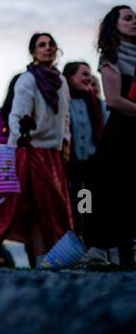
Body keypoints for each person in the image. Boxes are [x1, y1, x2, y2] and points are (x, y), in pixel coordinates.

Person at [0, 33, 73, 266]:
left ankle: (42, 259)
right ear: (33, 51)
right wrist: (16, 147)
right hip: (29, 149)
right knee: (17, 204)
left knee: (47, 206)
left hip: (52, 151)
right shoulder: (28, 79)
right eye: (42, 45)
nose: (47, 49)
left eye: (51, 45)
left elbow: (64, 116)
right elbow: (17, 115)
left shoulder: (61, 81)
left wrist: (65, 142)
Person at [91, 6, 136, 265]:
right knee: (106, 187)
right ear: (114, 25)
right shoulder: (112, 55)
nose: (134, 22)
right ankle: (103, 248)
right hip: (122, 129)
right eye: (127, 18)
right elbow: (114, 100)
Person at [62, 61, 105, 249]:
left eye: (89, 74)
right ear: (70, 78)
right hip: (69, 168)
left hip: (90, 168)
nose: (88, 78)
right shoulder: (63, 103)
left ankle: (88, 246)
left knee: (85, 206)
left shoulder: (97, 104)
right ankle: (70, 249)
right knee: (68, 208)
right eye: (83, 74)